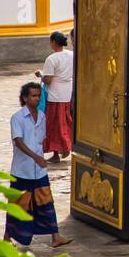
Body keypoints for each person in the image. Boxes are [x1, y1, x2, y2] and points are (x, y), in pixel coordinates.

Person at [4, 81, 71, 249]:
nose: (36, 99)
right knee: (18, 204)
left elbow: (40, 140)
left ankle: (55, 236)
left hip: (38, 171)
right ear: (25, 98)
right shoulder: (17, 118)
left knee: (46, 202)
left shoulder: (41, 116)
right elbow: (18, 141)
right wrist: (35, 157)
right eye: (33, 96)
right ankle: (7, 237)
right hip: (22, 170)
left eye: (38, 96)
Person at [36, 31, 74, 162]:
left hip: (55, 94)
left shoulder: (51, 59)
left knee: (54, 124)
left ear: (53, 42)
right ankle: (63, 147)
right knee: (65, 121)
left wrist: (40, 75)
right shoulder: (71, 55)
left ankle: (61, 149)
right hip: (68, 91)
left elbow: (48, 80)